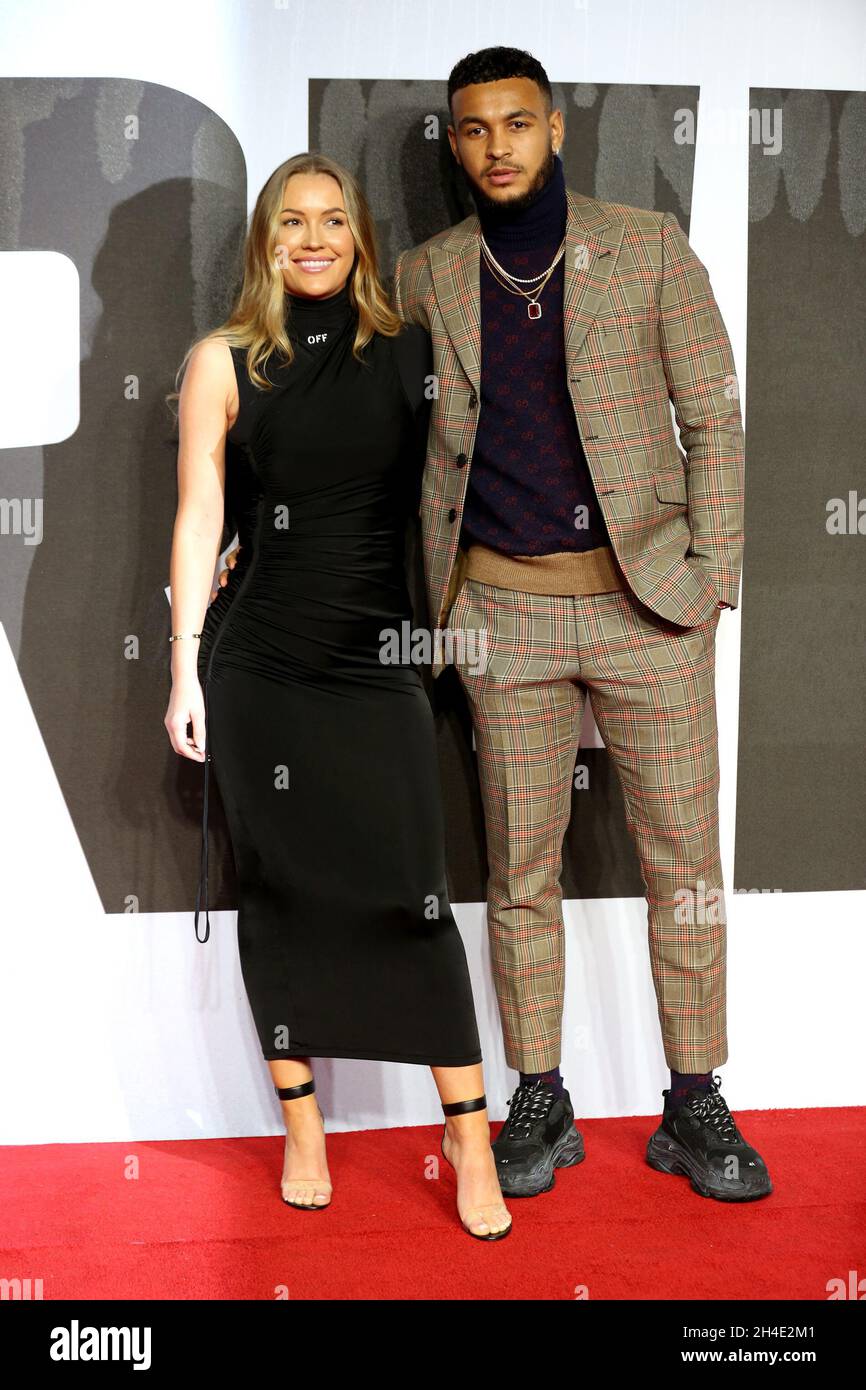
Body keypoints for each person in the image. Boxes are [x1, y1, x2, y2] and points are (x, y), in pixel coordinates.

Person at [391, 46, 773, 1203]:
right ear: (453, 145)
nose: (495, 145)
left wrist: (708, 576)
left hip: (648, 608)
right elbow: (357, 411)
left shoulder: (647, 246)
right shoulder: (425, 273)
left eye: (515, 123)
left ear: (553, 129)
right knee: (517, 874)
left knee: (683, 870)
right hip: (501, 615)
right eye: (471, 130)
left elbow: (713, 418)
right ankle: (538, 1095)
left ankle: (692, 1097)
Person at [164, 152, 511, 1240]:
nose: (312, 239)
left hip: (377, 658)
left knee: (414, 892)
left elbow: (460, 481)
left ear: (358, 235)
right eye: (289, 223)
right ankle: (302, 1126)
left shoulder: (408, 348)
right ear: (264, 241)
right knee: (278, 891)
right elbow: (198, 513)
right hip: (261, 661)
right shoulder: (222, 359)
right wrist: (183, 663)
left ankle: (466, 1135)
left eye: (332, 220)